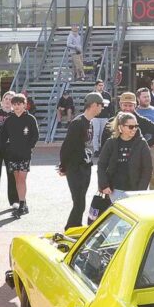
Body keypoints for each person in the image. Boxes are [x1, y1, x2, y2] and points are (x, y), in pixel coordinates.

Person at [57, 93, 102, 226]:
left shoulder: (90, 122)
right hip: (75, 167)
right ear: (94, 105)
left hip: (85, 166)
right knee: (79, 203)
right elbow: (67, 147)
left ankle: (75, 226)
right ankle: (71, 228)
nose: (102, 108)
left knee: (81, 202)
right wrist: (63, 166)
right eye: (101, 105)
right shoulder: (77, 123)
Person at [0, 92, 40, 216]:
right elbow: (3, 137)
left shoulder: (30, 119)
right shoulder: (9, 120)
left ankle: (21, 203)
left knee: (22, 178)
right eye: (14, 104)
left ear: (25, 105)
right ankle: (22, 203)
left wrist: (29, 147)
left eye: (19, 104)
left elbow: (35, 136)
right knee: (16, 179)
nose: (16, 107)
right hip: (12, 154)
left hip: (25, 154)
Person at [98, 112, 154, 204]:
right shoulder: (111, 142)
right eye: (130, 127)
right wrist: (104, 185)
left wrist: (140, 191)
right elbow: (101, 165)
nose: (134, 129)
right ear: (121, 127)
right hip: (114, 190)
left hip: (134, 191)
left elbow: (147, 169)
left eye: (136, 126)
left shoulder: (142, 143)